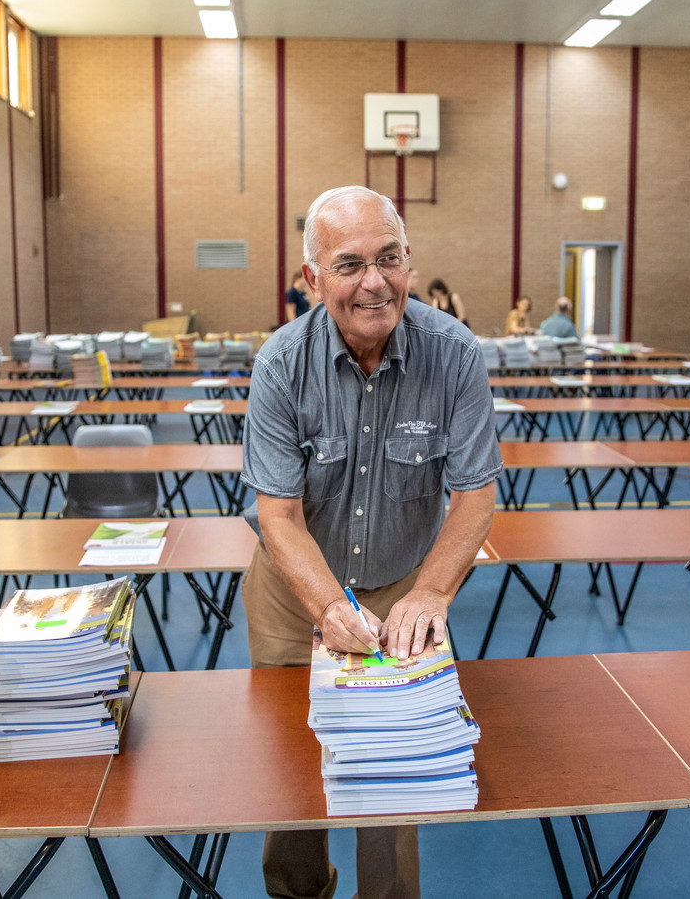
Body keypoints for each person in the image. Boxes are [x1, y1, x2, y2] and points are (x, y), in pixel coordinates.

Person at [240, 185, 501, 899]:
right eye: (349, 264)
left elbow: (476, 493)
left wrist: (431, 590)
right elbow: (280, 516)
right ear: (311, 279)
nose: (374, 282)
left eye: (389, 258)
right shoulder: (280, 366)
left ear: (409, 262)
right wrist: (326, 608)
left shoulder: (453, 354)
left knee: (391, 775)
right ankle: (297, 891)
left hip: (398, 591)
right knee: (294, 764)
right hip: (294, 598)